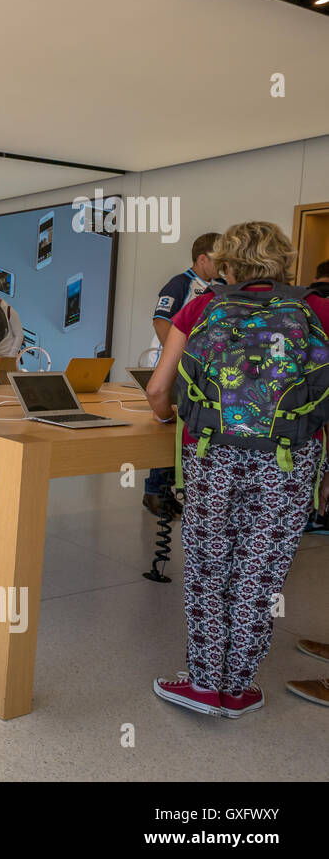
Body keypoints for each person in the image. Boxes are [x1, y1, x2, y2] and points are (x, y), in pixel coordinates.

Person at [146, 221, 329, 718]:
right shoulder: (318, 310)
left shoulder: (202, 307)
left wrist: (167, 420)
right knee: (260, 572)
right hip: (289, 460)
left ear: (226, 263)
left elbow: (159, 392)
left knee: (209, 566)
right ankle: (239, 687)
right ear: (285, 259)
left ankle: (204, 686)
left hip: (211, 455)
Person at [144, 232, 223, 517]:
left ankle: (183, 487)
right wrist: (178, 357)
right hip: (180, 368)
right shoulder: (180, 284)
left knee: (189, 427)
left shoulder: (221, 287)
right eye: (218, 259)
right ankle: (156, 489)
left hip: (206, 374)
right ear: (203, 258)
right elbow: (161, 322)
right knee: (168, 426)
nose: (223, 265)